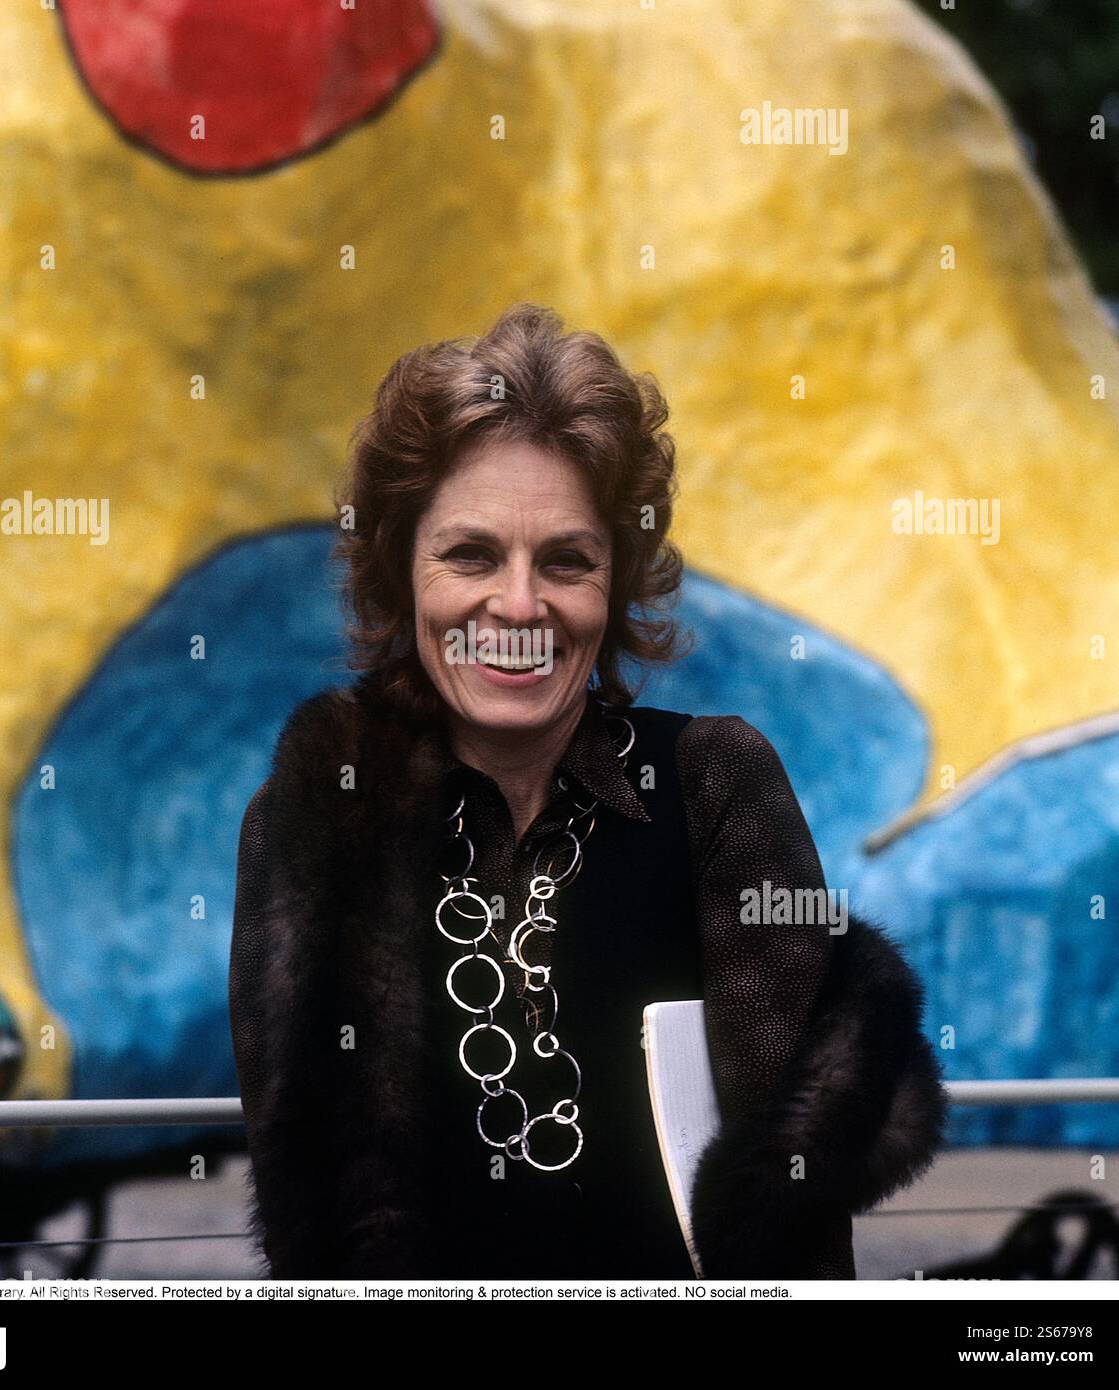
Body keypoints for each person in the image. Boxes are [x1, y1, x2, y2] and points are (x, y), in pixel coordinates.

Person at [227, 302, 946, 1280]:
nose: (518, 605)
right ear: (400, 575)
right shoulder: (313, 821)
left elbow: (815, 1167)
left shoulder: (715, 783)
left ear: (615, 588)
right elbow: (310, 1211)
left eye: (565, 560)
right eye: (470, 554)